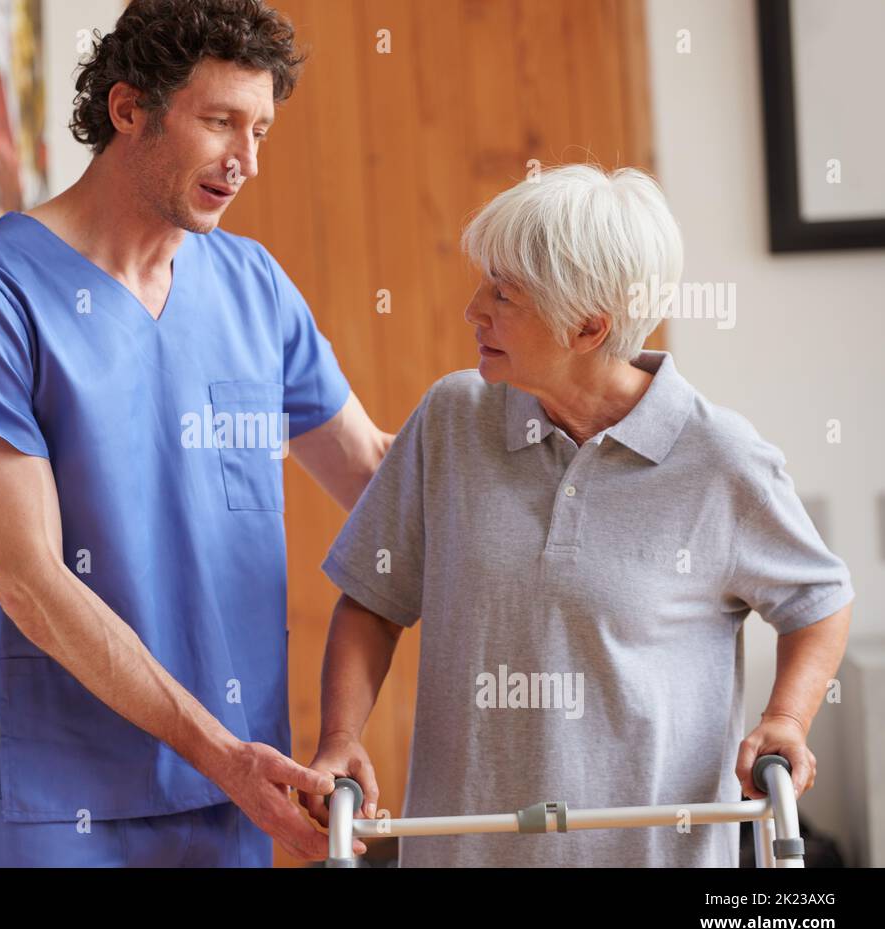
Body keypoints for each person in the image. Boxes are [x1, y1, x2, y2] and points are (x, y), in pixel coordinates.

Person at [0, 0, 391, 867]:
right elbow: (30, 583)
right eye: (220, 123)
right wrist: (220, 753)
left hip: (242, 785)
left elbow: (378, 481)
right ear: (129, 110)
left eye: (262, 129)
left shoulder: (253, 285)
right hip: (66, 796)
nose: (246, 160)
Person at [300, 164, 854, 867]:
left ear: (590, 327)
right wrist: (340, 735)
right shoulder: (451, 419)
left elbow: (819, 602)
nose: (474, 308)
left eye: (504, 295)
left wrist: (786, 719)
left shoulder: (720, 459)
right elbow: (373, 602)